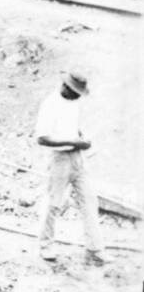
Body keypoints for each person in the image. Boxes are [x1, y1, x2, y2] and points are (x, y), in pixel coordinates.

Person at [36, 70, 104, 265]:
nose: (77, 96)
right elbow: (42, 138)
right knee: (53, 204)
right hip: (59, 159)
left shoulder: (73, 103)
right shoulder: (50, 105)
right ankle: (46, 247)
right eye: (75, 92)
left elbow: (72, 126)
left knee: (89, 200)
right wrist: (74, 143)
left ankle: (95, 249)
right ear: (65, 87)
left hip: (77, 157)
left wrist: (81, 139)